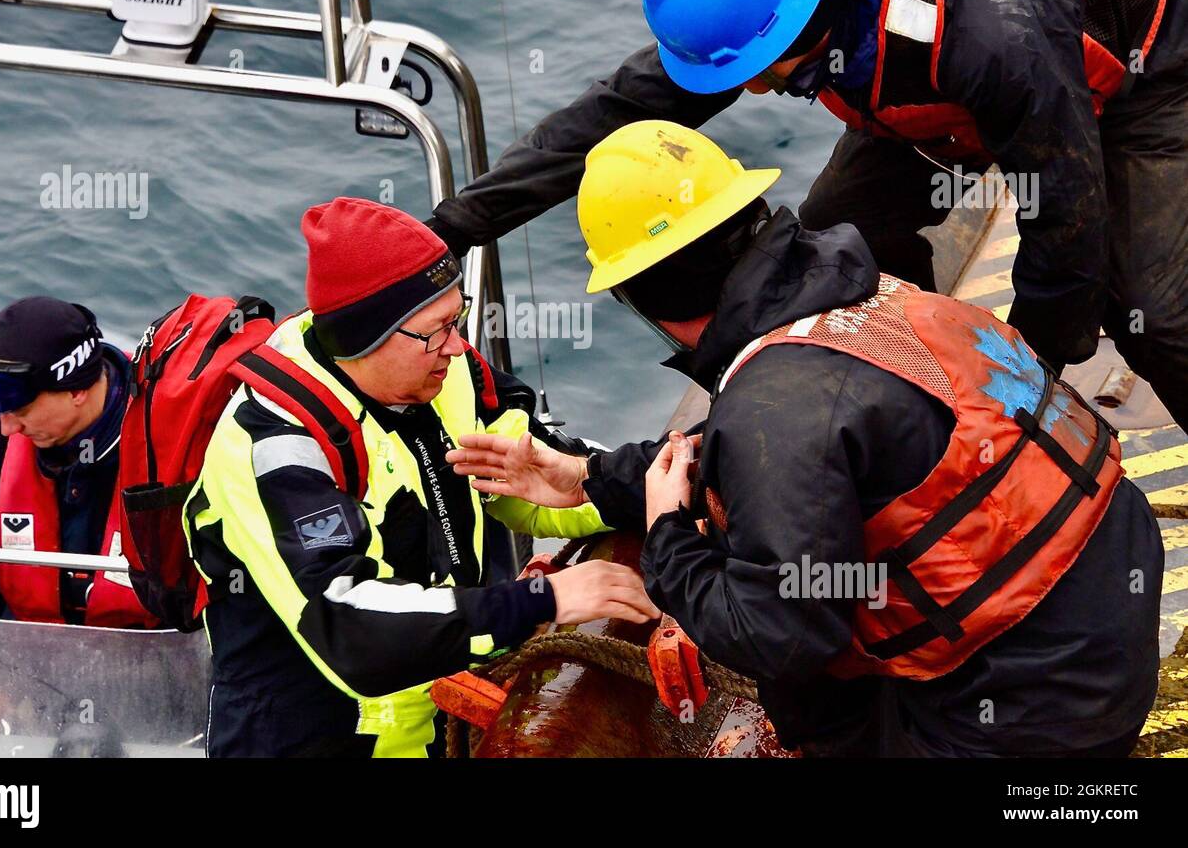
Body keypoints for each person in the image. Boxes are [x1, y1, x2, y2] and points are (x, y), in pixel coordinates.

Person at [447, 122, 1164, 756]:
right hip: (1105, 615)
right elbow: (776, 447)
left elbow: (783, 636)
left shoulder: (775, 407)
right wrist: (590, 476)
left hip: (1042, 713)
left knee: (805, 688)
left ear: (649, 299)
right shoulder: (863, 297)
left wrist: (667, 535)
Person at [428, 0, 1188, 431]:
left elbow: (1065, 214)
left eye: (758, 69)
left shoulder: (990, 35)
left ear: (804, 31)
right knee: (819, 260)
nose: (748, 88)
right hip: (932, 88)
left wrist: (1030, 395)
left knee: (1155, 312)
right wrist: (455, 227)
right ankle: (895, 434)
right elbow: (613, 112)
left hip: (1137, 64)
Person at [183, 197, 659, 758]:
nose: (456, 347)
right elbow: (349, 628)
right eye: (435, 332)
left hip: (449, 715)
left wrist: (600, 486)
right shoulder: (273, 445)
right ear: (365, 338)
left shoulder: (449, 373)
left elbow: (537, 476)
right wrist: (541, 600)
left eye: (457, 321)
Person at [0, 296, 155, 627]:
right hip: (26, 651)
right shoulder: (4, 440)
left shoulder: (165, 446)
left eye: (20, 411)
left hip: (139, 658)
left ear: (76, 391)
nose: (8, 427)